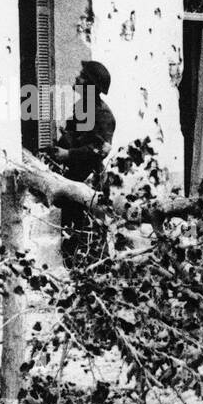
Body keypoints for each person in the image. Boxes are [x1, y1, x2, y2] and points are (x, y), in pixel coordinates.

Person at [48, 60, 116, 265]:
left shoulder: (102, 114)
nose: (77, 78)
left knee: (89, 235)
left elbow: (98, 150)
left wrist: (68, 155)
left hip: (89, 181)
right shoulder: (82, 107)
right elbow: (72, 136)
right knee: (70, 232)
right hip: (73, 178)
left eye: (82, 76)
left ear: (91, 85)